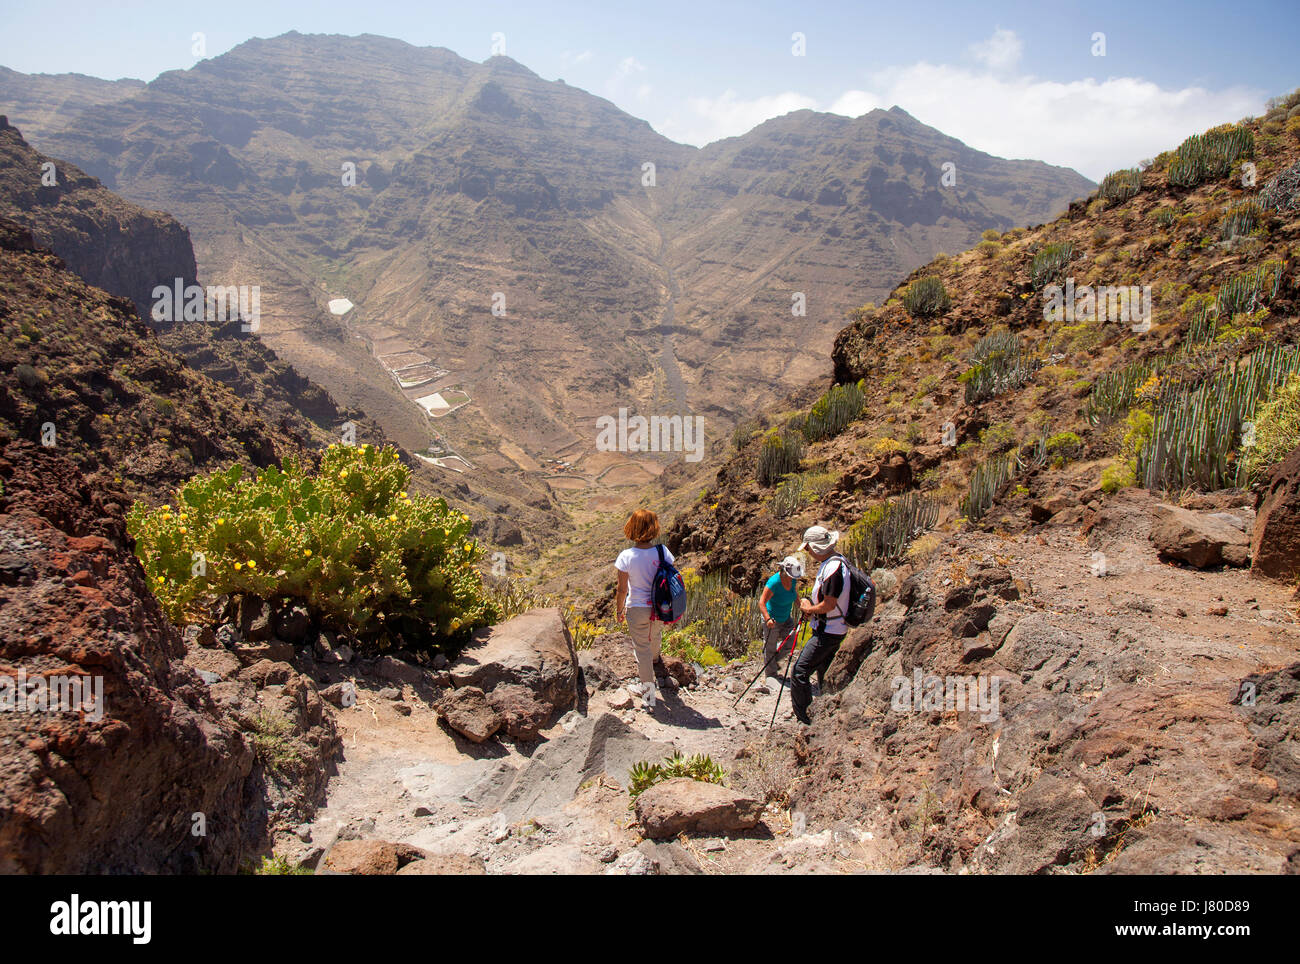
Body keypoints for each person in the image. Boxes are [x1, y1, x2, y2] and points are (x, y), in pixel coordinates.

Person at [614, 508, 671, 710]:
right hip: (660, 607)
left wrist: (619, 611)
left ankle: (648, 696)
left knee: (642, 651)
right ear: (654, 528)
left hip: (637, 608)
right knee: (655, 636)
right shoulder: (663, 551)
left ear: (632, 527)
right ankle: (656, 660)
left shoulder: (626, 556)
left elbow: (622, 590)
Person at [792, 525, 850, 724]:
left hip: (828, 632)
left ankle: (806, 719)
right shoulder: (836, 562)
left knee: (799, 672)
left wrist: (809, 609)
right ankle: (826, 716)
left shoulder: (833, 568)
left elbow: (829, 604)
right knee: (824, 672)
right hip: (832, 628)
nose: (807, 553)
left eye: (808, 549)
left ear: (816, 547)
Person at [756, 556, 803, 693]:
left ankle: (771, 663)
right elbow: (762, 602)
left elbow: (795, 595)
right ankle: (771, 675)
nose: (792, 578)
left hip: (786, 617)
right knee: (770, 646)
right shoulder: (774, 582)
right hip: (773, 619)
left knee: (791, 640)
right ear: (783, 571)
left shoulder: (792, 581)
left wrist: (802, 607)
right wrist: (767, 618)